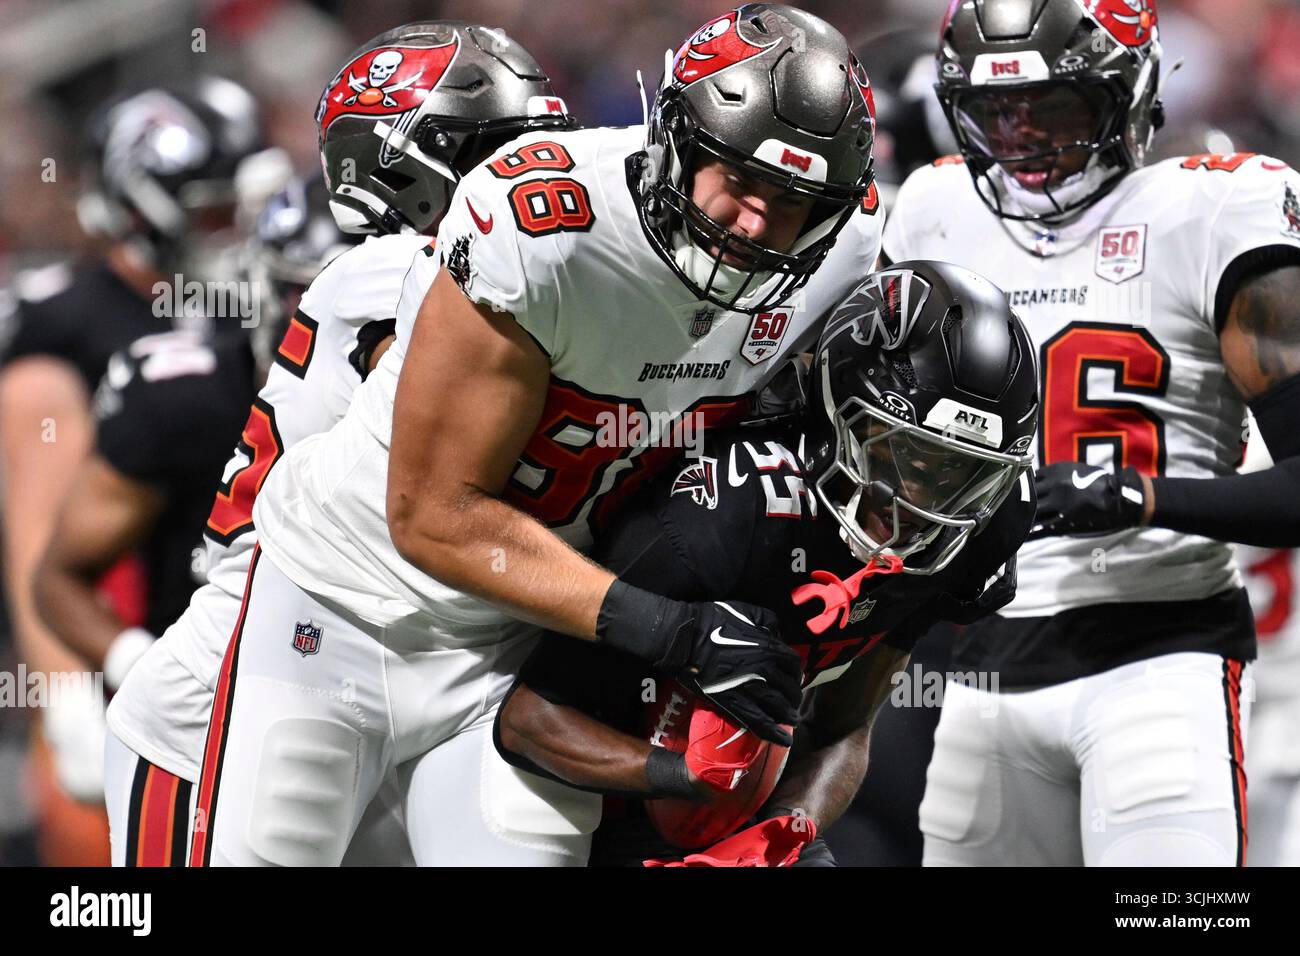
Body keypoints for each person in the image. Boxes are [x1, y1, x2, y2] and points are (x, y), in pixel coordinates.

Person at [193, 4, 882, 867]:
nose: (754, 224)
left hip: (527, 644)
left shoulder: (845, 251)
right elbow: (435, 513)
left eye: (792, 204)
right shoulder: (546, 224)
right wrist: (674, 629)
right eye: (740, 181)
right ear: (674, 137)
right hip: (348, 605)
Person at [101, 21, 574, 866]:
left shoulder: (483, 279)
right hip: (231, 691)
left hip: (394, 674)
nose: (537, 169)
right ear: (407, 171)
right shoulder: (392, 279)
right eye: (505, 147)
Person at [884, 0, 1300, 865]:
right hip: (978, 669)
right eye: (996, 111)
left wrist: (1140, 496)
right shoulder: (933, 209)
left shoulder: (1218, 211)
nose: (1023, 137)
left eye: (1054, 107)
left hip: (1158, 657)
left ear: (1129, 95)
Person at [492, 261, 1039, 866]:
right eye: (904, 453)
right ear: (839, 409)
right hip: (586, 781)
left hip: (747, 800)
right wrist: (687, 776)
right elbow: (528, 722)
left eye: (958, 471)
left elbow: (846, 731)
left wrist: (781, 834)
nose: (923, 503)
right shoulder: (731, 507)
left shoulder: (978, 531)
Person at [0, 75, 280, 865]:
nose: (239, 232)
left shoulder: (265, 301)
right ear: (139, 210)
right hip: (113, 618)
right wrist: (67, 690)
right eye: (216, 211)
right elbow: (36, 463)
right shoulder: (67, 323)